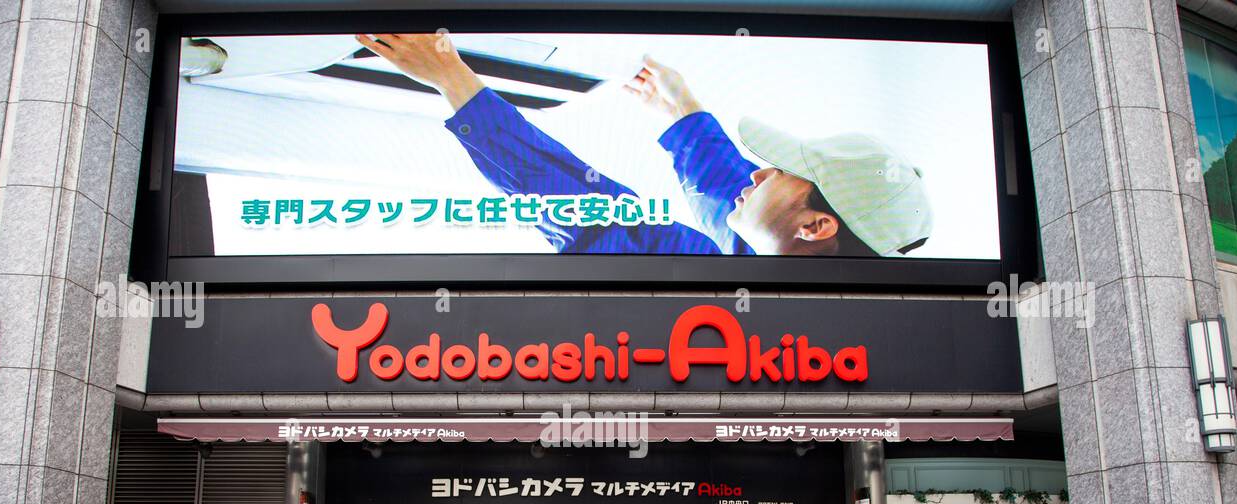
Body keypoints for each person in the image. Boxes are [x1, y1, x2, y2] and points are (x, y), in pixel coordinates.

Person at [353, 33, 932, 258]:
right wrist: (681, 108)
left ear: (815, 226)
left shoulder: (719, 292)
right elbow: (724, 188)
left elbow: (590, 214)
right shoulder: (769, 272)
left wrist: (454, 79)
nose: (757, 174)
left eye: (778, 173)